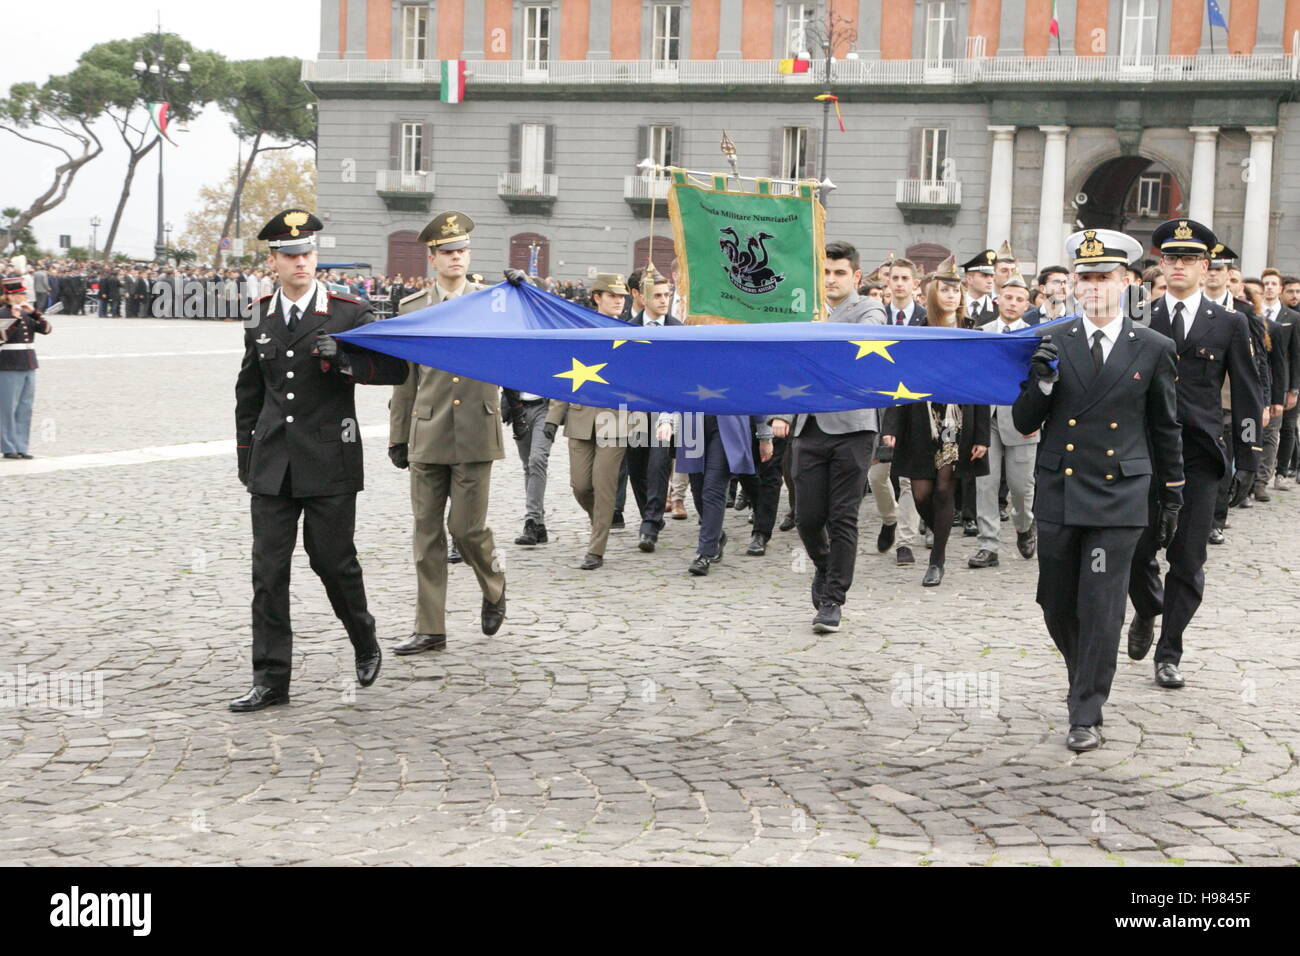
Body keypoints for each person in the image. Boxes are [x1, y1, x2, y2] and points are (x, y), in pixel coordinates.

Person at [230, 210, 409, 712]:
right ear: (274, 262)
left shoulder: (348, 311)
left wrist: (348, 360)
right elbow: (248, 391)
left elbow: (395, 368)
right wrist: (247, 456)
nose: (301, 262)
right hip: (272, 464)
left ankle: (364, 637)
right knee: (268, 573)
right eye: (290, 256)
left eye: (308, 254)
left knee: (333, 562)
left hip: (330, 458)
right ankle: (271, 679)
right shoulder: (259, 312)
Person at [1012, 228, 1184, 751]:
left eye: (1103, 277)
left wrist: (1172, 492)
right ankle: (1082, 675)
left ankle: (1086, 708)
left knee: (1103, 603)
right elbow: (1023, 422)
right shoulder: (1052, 342)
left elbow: (1165, 426)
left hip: (1119, 499)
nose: (1091, 286)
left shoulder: (1153, 347)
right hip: (1061, 492)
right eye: (1083, 277)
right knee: (1055, 600)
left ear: (1128, 282)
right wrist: (1039, 385)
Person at [1127, 219, 1264, 690]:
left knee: (1188, 559)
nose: (1178, 266)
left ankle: (1170, 652)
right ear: (1160, 265)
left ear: (1206, 267)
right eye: (1170, 258)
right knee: (1137, 550)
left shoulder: (1229, 322)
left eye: (1187, 259)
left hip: (1201, 456)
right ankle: (1147, 608)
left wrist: (1248, 454)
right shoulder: (1140, 315)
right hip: (1143, 453)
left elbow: (1247, 391)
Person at [388, 211, 508, 657]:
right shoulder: (412, 309)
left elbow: (528, 333)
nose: (456, 257)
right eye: (447, 252)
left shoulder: (495, 302)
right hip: (428, 431)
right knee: (425, 533)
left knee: (465, 528)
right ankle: (430, 628)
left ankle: (494, 586)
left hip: (476, 428)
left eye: (462, 251)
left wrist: (523, 292)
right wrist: (398, 435)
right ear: (432, 258)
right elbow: (406, 381)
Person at [770, 241, 885, 631]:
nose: (831, 279)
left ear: (855, 277)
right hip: (809, 426)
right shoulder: (806, 310)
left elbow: (864, 344)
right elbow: (790, 367)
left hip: (853, 427)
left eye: (839, 273)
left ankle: (833, 600)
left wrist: (819, 325)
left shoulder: (868, 309)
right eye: (825, 272)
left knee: (842, 518)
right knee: (807, 517)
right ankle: (824, 565)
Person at [879, 256, 990, 588]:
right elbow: (898, 384)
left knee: (944, 488)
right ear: (932, 294)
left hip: (958, 422)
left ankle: (937, 558)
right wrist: (890, 427)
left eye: (956, 290)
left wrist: (982, 434)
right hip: (920, 419)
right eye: (945, 290)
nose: (952, 296)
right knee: (921, 491)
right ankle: (937, 528)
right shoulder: (917, 334)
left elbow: (981, 386)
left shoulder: (973, 333)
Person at [544, 273, 632, 571]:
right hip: (582, 417)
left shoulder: (632, 333)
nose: (619, 301)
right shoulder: (581, 331)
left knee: (603, 484)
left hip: (617, 418)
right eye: (612, 296)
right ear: (597, 298)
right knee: (581, 486)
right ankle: (601, 522)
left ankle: (596, 548)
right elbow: (568, 376)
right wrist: (553, 418)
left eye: (622, 296)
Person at [970, 269, 1038, 568]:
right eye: (1008, 297)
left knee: (1021, 487)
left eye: (1019, 299)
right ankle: (988, 544)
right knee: (985, 483)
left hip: (1023, 419)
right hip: (987, 419)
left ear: (1027, 306)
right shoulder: (981, 333)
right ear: (998, 300)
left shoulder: (1034, 335)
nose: (1012, 303)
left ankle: (1024, 526)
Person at [626, 270, 681, 553]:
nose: (663, 301)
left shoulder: (678, 329)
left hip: (666, 408)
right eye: (657, 296)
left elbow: (682, 376)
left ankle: (650, 524)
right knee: (636, 466)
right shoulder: (625, 329)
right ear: (643, 298)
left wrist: (670, 415)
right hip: (634, 409)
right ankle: (648, 513)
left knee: (658, 464)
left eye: (667, 295)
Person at [0, 276, 52, 460]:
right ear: (10, 296)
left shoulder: (27, 313)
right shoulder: (2, 314)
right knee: (7, 407)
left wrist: (36, 313)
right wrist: (13, 319)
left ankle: (22, 445)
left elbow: (46, 329)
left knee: (25, 407)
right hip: (9, 364)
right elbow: (2, 337)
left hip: (28, 363)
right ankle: (8, 447)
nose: (24, 297)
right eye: (20, 294)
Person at [960, 249, 998, 326]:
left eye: (992, 276)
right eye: (984, 276)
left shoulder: (998, 310)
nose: (990, 281)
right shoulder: (955, 305)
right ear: (969, 279)